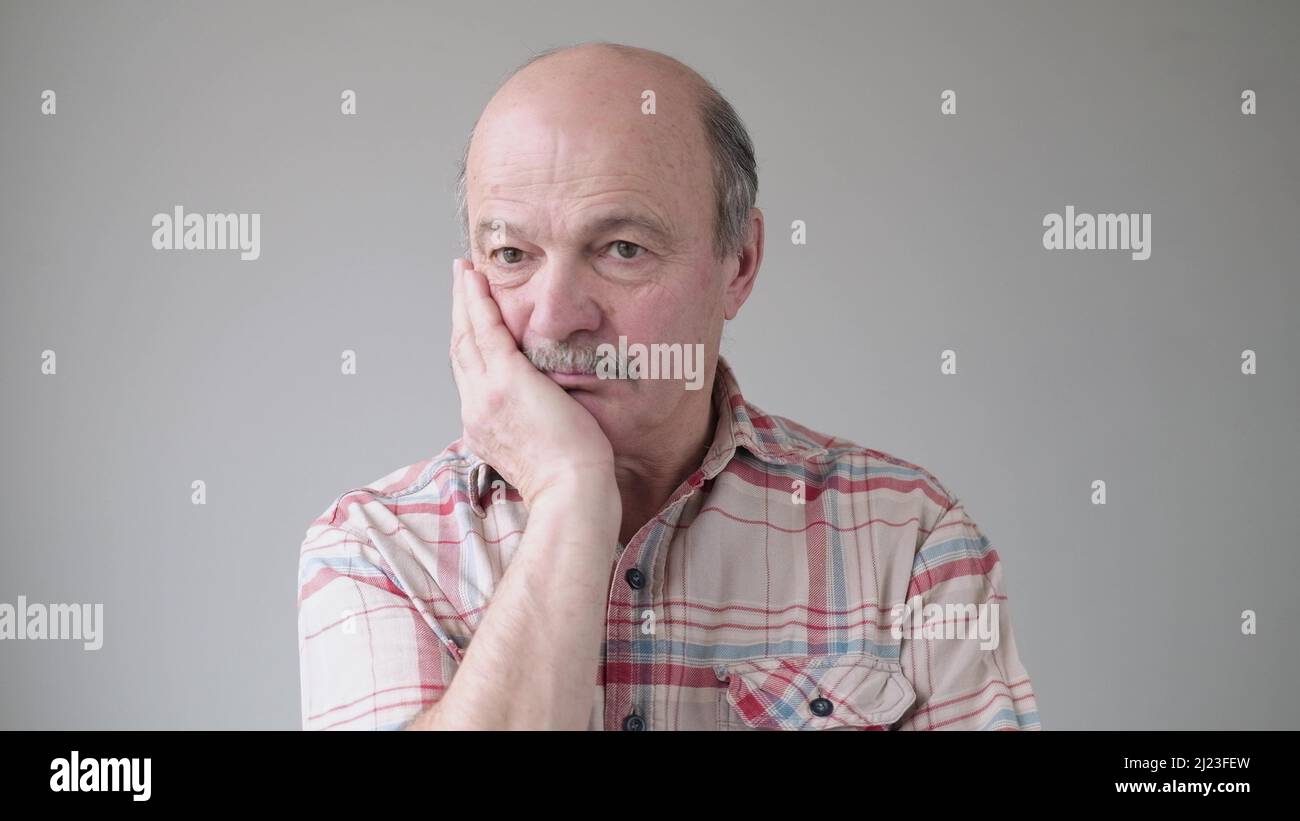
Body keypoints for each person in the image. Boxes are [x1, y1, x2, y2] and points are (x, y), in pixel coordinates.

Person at [297, 42, 1039, 731]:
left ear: (738, 265)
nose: (556, 317)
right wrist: (570, 494)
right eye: (512, 252)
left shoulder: (908, 541)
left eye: (622, 248)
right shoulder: (376, 547)